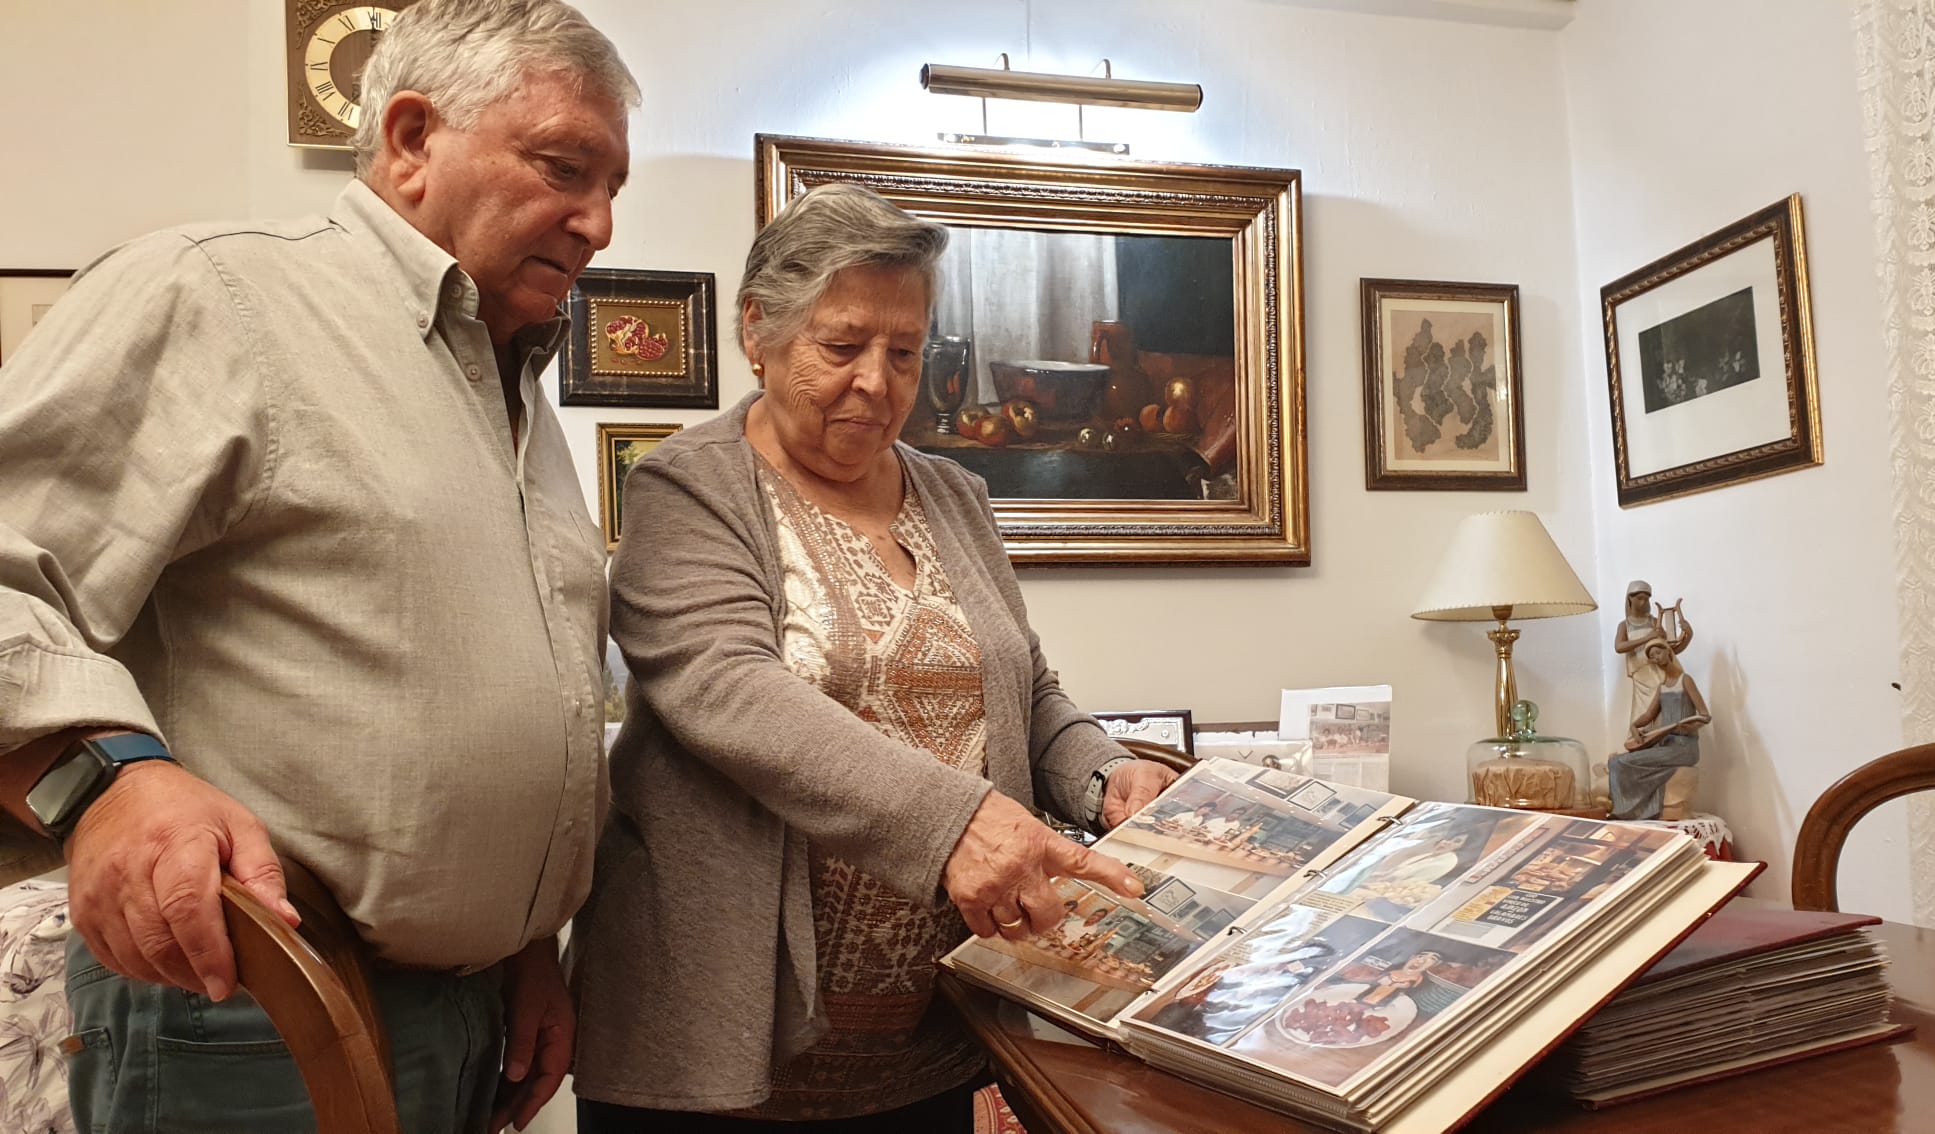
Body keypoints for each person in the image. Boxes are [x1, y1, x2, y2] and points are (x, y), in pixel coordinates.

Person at [0, 3, 636, 1131]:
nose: (596, 224)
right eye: (563, 168)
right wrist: (105, 784)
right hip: (243, 1010)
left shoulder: (514, 384)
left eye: (612, 190)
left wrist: (529, 946)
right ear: (408, 140)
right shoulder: (217, 296)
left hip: (470, 1012)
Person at [567, 182, 1180, 1132]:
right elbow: (729, 690)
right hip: (721, 1035)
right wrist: (959, 824)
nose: (877, 382)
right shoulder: (686, 485)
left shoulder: (955, 494)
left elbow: (1024, 690)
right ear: (757, 331)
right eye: (842, 346)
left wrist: (1104, 773)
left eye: (905, 353)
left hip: (922, 1039)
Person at [1608, 641, 1711, 820]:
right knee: (1616, 762)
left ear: (1667, 651)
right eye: (1652, 656)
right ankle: (1629, 809)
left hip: (1684, 748)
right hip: (1666, 743)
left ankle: (1629, 811)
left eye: (1657, 653)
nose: (1655, 658)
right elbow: (1648, 714)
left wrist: (1689, 726)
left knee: (1621, 762)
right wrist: (1634, 726)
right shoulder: (1661, 686)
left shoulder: (1685, 680)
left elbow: (1704, 715)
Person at [1613, 580, 1691, 725]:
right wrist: (1646, 638)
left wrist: (1688, 636)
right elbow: (1619, 647)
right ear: (1630, 598)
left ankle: (1664, 737)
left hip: (1659, 671)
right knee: (1643, 712)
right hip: (1642, 676)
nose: (1643, 602)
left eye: (1646, 599)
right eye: (1639, 598)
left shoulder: (1654, 622)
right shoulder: (1625, 625)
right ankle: (1642, 738)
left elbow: (1670, 651)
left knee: (1664, 709)